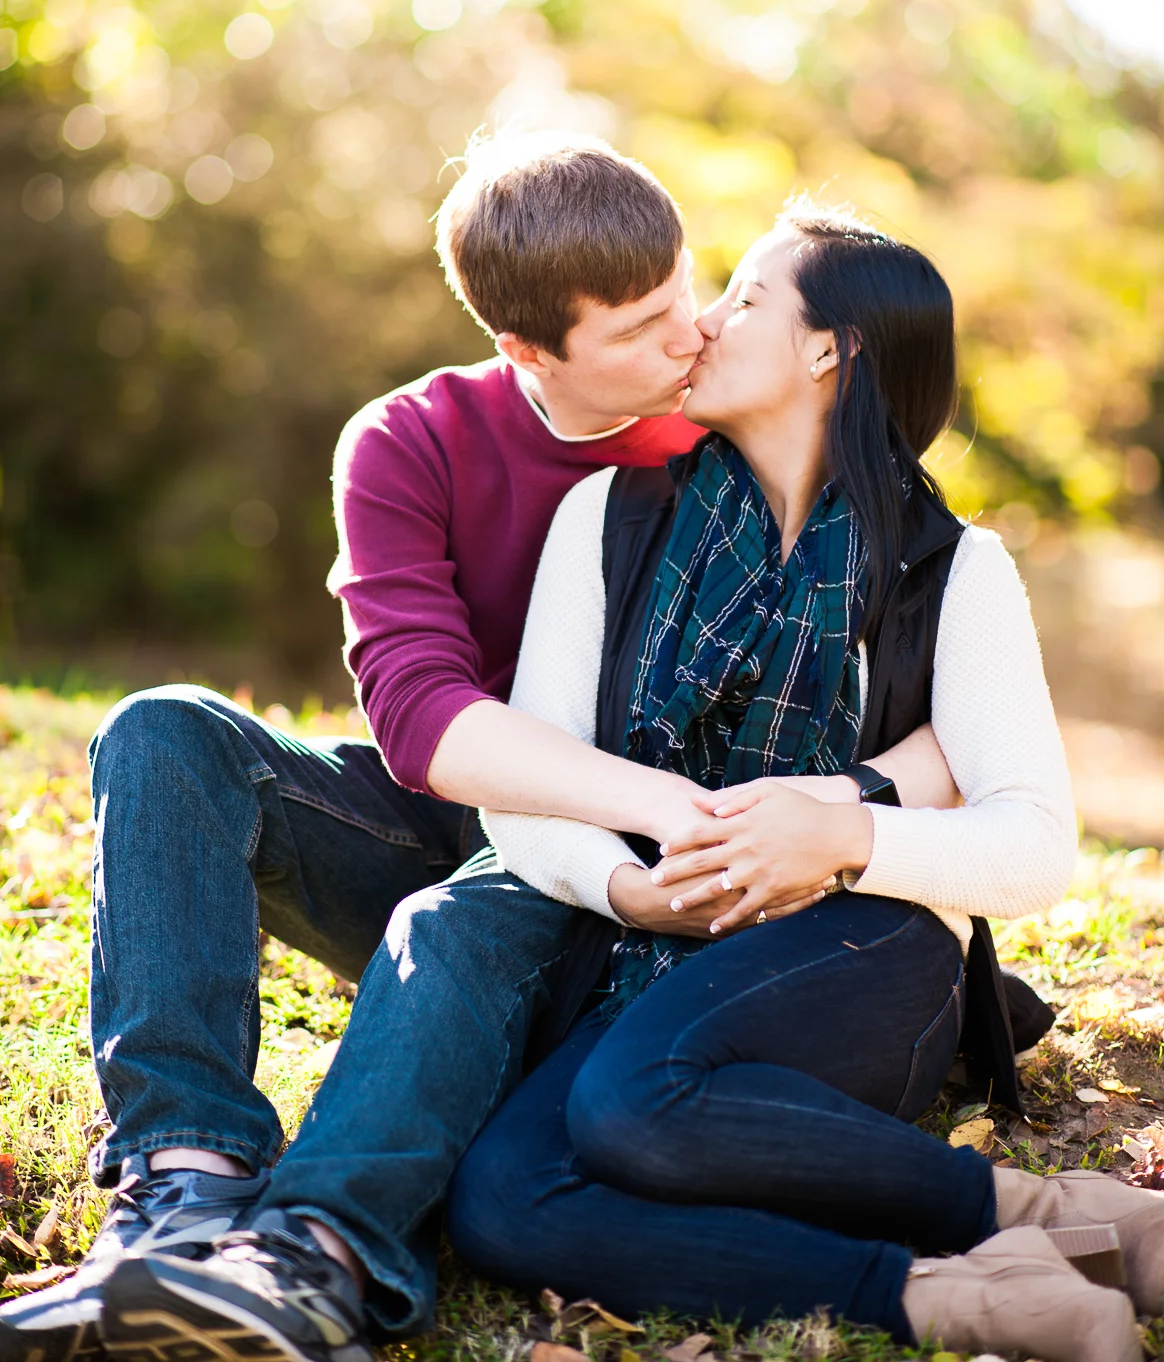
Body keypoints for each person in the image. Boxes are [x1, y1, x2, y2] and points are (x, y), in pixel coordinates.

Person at [2, 138, 953, 1362]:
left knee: (478, 906)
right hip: (481, 816)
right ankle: (185, 1189)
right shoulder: (409, 438)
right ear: (529, 351)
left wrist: (816, 810)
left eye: (689, 289)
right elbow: (415, 715)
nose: (693, 335)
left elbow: (916, 638)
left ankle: (326, 1257)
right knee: (165, 728)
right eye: (644, 326)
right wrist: (665, 802)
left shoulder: (729, 430)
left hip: (609, 873)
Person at [447, 205, 1163, 1362]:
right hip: (658, 946)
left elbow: (1036, 845)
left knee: (631, 1103)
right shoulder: (611, 523)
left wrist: (839, 841)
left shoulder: (951, 568)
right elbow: (525, 790)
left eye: (743, 297)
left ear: (830, 349)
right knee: (503, 1198)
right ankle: (971, 1289)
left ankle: (1048, 1213)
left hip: (867, 953)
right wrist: (628, 894)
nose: (702, 324)